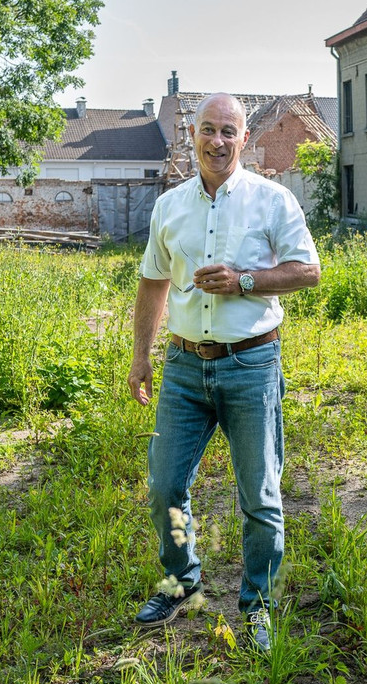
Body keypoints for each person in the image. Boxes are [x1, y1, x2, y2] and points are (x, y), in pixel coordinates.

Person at [127, 92, 321, 652]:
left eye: (228, 132)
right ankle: (181, 582)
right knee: (165, 484)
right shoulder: (170, 207)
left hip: (251, 364)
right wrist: (141, 356)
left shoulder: (273, 201)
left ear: (244, 137)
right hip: (185, 367)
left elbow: (308, 271)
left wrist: (245, 281)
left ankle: (257, 605)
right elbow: (153, 283)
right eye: (207, 130)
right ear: (193, 135)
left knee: (259, 495)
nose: (217, 141)